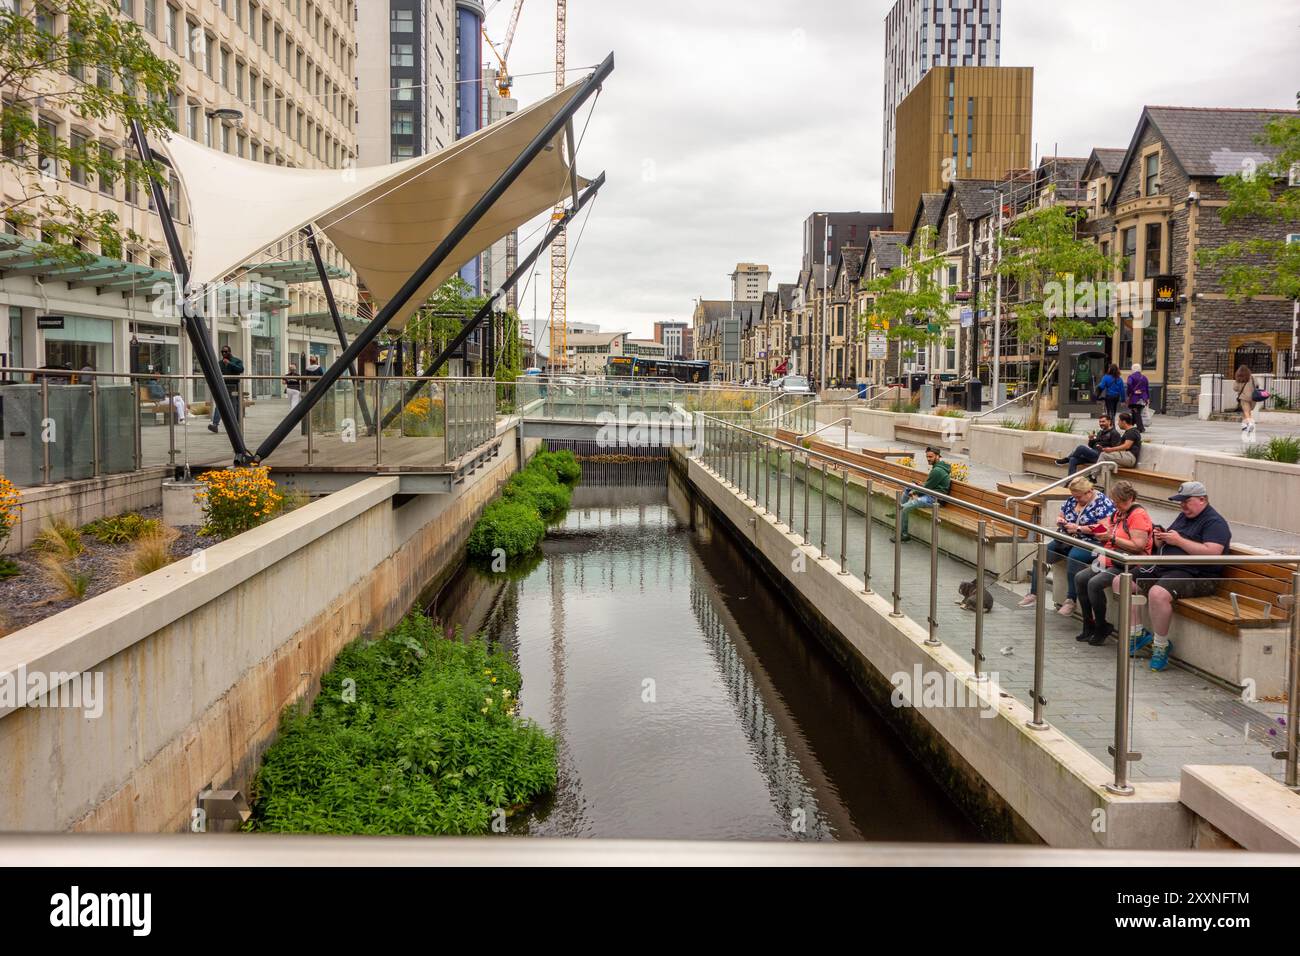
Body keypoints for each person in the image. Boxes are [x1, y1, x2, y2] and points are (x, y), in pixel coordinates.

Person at [1126, 481, 1232, 672]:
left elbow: (1213, 553)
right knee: (1123, 581)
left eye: (1187, 501)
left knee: (1158, 594)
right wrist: (1160, 540)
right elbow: (1170, 542)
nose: (1183, 506)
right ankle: (1138, 632)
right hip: (1168, 567)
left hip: (1197, 575)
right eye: (1180, 502)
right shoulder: (1184, 516)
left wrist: (1178, 540)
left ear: (1202, 499)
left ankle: (1160, 645)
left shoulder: (1214, 522)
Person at [1019, 476, 1115, 615]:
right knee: (1044, 553)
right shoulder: (1072, 499)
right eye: (1074, 496)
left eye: (1079, 497)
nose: (1076, 500)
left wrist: (1080, 528)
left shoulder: (1102, 503)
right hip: (1068, 538)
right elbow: (1062, 514)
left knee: (1074, 557)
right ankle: (1034, 593)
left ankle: (1071, 600)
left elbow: (1104, 529)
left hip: (1092, 542)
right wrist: (1061, 520)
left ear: (1089, 491)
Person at [1072, 481, 1153, 645]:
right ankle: (1089, 624)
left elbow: (1138, 545)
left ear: (1129, 498)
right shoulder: (1118, 513)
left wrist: (1112, 538)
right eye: (1114, 502)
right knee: (1080, 578)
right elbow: (1107, 530)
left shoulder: (1138, 515)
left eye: (1118, 502)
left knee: (1094, 583)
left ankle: (1102, 626)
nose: (1116, 506)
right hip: (1112, 557)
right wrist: (1095, 532)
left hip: (1129, 563)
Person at [898, 446, 951, 542]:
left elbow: (927, 489)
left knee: (905, 507)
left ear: (938, 456)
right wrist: (917, 487)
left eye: (931, 457)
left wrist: (914, 492)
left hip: (935, 499)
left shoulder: (937, 470)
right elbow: (930, 486)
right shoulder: (938, 467)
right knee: (908, 486)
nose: (928, 459)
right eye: (927, 457)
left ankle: (904, 534)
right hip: (930, 493)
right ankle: (898, 511)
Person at [1055, 414, 1120, 474]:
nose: (1101, 423)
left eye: (1103, 421)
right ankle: (1070, 482)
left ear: (1109, 422)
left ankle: (1067, 459)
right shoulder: (1100, 432)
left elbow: (1115, 449)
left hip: (1101, 456)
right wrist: (1091, 440)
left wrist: (1104, 449)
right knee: (1073, 460)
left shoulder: (1114, 433)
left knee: (1081, 447)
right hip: (1093, 454)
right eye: (1100, 422)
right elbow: (1091, 446)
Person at [207, 345, 244, 433]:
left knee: (235, 405)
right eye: (222, 352)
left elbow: (241, 369)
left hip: (234, 387)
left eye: (226, 352)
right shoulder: (220, 363)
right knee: (220, 405)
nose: (224, 353)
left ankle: (236, 425)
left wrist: (229, 364)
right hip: (223, 387)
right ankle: (215, 425)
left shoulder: (237, 361)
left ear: (230, 352)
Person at [1233, 364, 1258, 435]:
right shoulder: (1252, 378)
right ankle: (1245, 426)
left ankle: (1250, 425)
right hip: (1253, 398)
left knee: (1246, 412)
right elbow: (1257, 385)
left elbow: (1235, 388)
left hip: (1244, 398)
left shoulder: (1238, 379)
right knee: (1247, 412)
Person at [1126, 363, 1150, 434]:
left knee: (1136, 412)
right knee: (1135, 412)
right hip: (1143, 398)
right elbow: (1147, 388)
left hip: (1135, 398)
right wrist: (1147, 398)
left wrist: (1132, 391)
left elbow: (1129, 384)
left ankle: (1140, 428)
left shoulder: (1131, 377)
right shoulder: (1144, 377)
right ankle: (1131, 426)